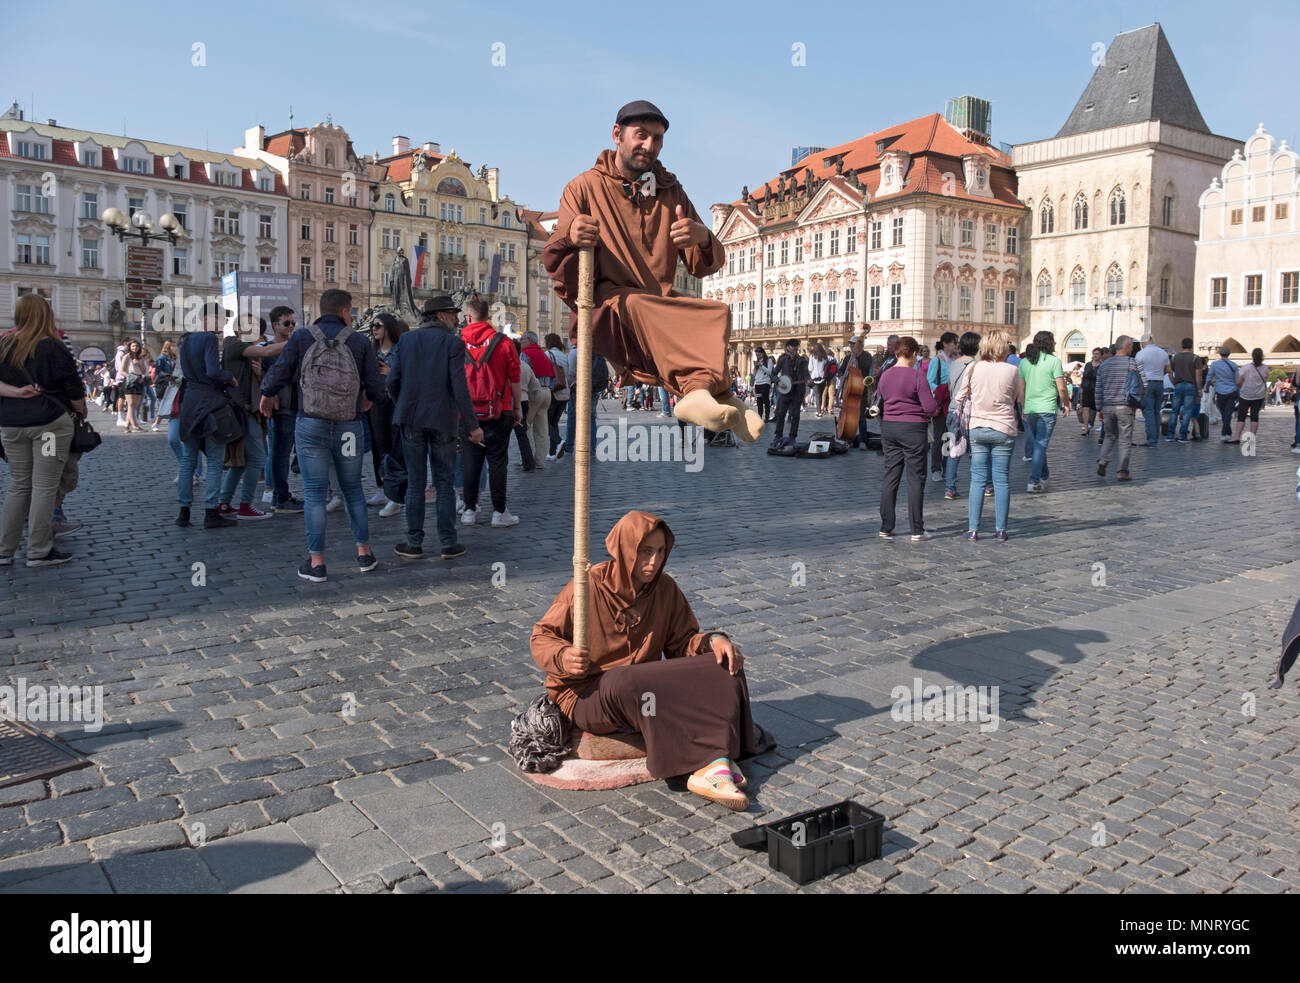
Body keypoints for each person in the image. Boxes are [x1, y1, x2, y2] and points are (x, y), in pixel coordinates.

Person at [542, 100, 762, 442]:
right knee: (638, 304)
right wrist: (571, 236)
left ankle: (711, 393)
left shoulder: (670, 190)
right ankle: (698, 395)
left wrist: (703, 238)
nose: (649, 146)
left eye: (657, 139)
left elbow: (706, 262)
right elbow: (555, 255)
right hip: (607, 308)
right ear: (618, 135)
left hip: (654, 304)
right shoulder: (584, 187)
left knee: (714, 311)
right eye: (641, 136)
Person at [530, 511, 768, 811]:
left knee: (723, 664)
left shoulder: (665, 589)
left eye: (659, 552)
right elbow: (541, 636)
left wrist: (713, 642)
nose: (653, 562)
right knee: (625, 680)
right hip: (586, 694)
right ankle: (704, 759)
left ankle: (713, 763)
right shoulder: (587, 586)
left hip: (641, 686)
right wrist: (563, 656)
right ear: (625, 550)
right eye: (645, 552)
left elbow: (682, 644)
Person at [259, 288, 386, 582]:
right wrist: (365, 400)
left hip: (310, 423)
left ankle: (316, 563)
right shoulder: (358, 341)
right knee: (353, 489)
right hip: (349, 425)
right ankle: (364, 554)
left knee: (315, 493)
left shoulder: (302, 337)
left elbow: (279, 372)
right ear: (344, 311)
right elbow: (377, 389)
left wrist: (267, 393)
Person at [388, 294, 481, 560]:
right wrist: (473, 425)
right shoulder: (452, 343)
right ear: (441, 316)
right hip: (442, 420)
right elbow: (459, 388)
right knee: (443, 482)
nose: (457, 318)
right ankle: (448, 543)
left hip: (411, 419)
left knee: (416, 483)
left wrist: (402, 405)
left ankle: (413, 542)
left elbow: (392, 381)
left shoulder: (406, 340)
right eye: (453, 314)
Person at [0, 295, 83, 566]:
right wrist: (80, 411)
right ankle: (39, 550)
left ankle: (4, 550)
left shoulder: (4, 343)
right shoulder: (52, 346)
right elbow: (73, 386)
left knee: (19, 485)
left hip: (12, 425)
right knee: (44, 486)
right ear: (46, 314)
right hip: (47, 426)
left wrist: (15, 392)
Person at [458, 298, 522, 528]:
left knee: (470, 462)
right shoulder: (503, 342)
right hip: (499, 409)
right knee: (497, 462)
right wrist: (517, 407)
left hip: (466, 414)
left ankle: (469, 510)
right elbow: (515, 378)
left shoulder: (458, 342)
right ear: (488, 317)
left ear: (468, 317)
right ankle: (499, 512)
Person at [176, 303, 240, 529]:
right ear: (208, 318)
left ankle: (184, 511)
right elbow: (213, 371)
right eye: (222, 319)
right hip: (209, 404)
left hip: (189, 402)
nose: (224, 324)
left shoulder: (185, 340)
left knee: (188, 460)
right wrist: (229, 377)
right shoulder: (210, 339)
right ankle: (211, 511)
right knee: (214, 459)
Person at [956, 327, 1022, 542]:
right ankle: (1001, 529)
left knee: (977, 480)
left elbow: (960, 397)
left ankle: (973, 529)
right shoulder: (1012, 370)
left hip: (978, 428)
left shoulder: (974, 368)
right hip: (1003, 428)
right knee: (1001, 480)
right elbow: (1018, 398)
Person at [218, 314, 282, 520]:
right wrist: (295, 340)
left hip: (248, 411)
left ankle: (224, 503)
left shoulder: (250, 355)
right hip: (241, 412)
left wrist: (259, 374)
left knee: (242, 462)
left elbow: (261, 384)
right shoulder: (235, 345)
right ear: (239, 330)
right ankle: (246, 505)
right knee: (257, 458)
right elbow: (267, 350)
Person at [876, 336, 939, 541]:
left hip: (889, 427)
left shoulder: (885, 375)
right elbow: (929, 408)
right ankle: (917, 529)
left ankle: (886, 526)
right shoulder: (916, 376)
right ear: (913, 354)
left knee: (891, 475)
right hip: (913, 429)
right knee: (915, 478)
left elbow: (881, 400)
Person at [261, 306, 304, 514]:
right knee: (280, 452)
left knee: (282, 452)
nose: (291, 327)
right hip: (280, 407)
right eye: (286, 323)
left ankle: (281, 494)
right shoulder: (269, 350)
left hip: (294, 404)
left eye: (293, 323)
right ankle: (280, 497)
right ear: (275, 325)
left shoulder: (293, 347)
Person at [367, 312, 407, 516]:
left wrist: (390, 373)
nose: (374, 328)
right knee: (379, 447)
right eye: (373, 325)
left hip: (396, 403)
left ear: (388, 328)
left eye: (378, 325)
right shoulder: (371, 351)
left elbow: (409, 378)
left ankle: (396, 496)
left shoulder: (401, 350)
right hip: (376, 403)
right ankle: (381, 488)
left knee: (396, 449)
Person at [1019, 330, 1068, 493]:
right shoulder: (1053, 361)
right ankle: (1033, 481)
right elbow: (1061, 387)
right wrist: (1066, 404)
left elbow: (1021, 390)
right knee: (1040, 444)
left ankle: (1044, 475)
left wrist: (1023, 408)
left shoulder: (1025, 362)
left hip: (1031, 409)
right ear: (1049, 343)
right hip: (1047, 409)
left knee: (1039, 444)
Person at [1095, 335, 1143, 482]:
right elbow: (1144, 383)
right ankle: (1122, 471)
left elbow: (1098, 388)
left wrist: (1099, 408)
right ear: (1128, 347)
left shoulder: (1104, 364)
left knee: (1110, 436)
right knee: (1125, 439)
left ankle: (1103, 460)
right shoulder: (1134, 362)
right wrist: (1140, 399)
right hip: (1125, 406)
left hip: (1108, 406)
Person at [943, 331, 980, 498]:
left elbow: (950, 386)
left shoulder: (953, 364)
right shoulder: (975, 365)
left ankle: (950, 487)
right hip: (969, 412)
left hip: (952, 410)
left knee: (953, 450)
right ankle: (982, 484)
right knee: (975, 451)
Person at [518, 331, 554, 468]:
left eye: (522, 340)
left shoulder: (525, 354)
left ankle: (527, 459)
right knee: (542, 429)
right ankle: (540, 461)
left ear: (529, 340)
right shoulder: (544, 354)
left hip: (535, 392)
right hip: (547, 392)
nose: (520, 342)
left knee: (525, 426)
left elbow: (522, 373)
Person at [927, 331, 958, 482]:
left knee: (951, 437)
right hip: (941, 403)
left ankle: (948, 469)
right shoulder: (937, 361)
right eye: (954, 342)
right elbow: (930, 381)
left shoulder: (957, 360)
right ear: (945, 343)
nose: (956, 346)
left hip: (954, 404)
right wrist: (943, 389)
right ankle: (936, 468)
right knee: (939, 437)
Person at [771, 338, 809, 444]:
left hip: (797, 392)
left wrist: (809, 381)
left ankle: (792, 437)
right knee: (780, 414)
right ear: (788, 347)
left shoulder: (802, 360)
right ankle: (778, 436)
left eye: (796, 345)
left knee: (795, 416)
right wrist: (778, 382)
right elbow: (773, 374)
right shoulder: (782, 359)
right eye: (793, 346)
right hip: (785, 392)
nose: (795, 348)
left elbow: (806, 375)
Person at [1134, 339, 1171, 447]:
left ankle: (1151, 439)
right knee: (1156, 411)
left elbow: (1137, 370)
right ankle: (1155, 438)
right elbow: (1168, 369)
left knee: (1148, 411)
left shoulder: (1141, 353)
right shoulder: (1163, 353)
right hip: (1160, 383)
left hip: (1147, 383)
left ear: (1143, 343)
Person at [1229, 348, 1270, 445]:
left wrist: (1242, 386)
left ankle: (1236, 437)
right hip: (1259, 395)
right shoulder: (1265, 368)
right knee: (1254, 416)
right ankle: (1252, 438)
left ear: (1252, 356)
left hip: (1245, 394)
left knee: (1241, 416)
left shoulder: (1246, 368)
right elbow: (1265, 378)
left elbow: (1238, 381)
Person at [1167, 338, 1203, 444]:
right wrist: (1199, 389)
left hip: (1178, 385)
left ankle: (1170, 435)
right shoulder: (1195, 358)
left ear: (1181, 345)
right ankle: (1182, 436)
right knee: (1187, 411)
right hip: (1190, 386)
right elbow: (1198, 375)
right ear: (1191, 346)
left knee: (1174, 411)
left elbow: (1169, 372)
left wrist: (1174, 383)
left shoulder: (1174, 357)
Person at [1205, 345, 1240, 442]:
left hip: (1220, 391)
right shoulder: (1234, 365)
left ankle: (1225, 433)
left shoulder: (1214, 364)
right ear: (1229, 354)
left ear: (1220, 353)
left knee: (1224, 413)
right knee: (1227, 413)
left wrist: (1206, 387)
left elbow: (1209, 377)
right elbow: (1237, 380)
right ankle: (1227, 433)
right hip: (1232, 391)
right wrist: (1239, 391)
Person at [544, 332, 570, 461]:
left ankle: (559, 441)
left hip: (553, 392)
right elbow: (569, 375)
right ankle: (552, 453)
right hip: (565, 393)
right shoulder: (565, 356)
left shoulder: (547, 355)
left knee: (545, 422)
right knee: (554, 423)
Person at [120, 339, 149, 433]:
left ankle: (127, 426)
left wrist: (139, 364)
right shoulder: (127, 356)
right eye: (133, 346)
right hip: (130, 381)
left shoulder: (141, 357)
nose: (135, 348)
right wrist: (131, 377)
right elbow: (122, 371)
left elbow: (144, 371)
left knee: (135, 405)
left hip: (139, 380)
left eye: (136, 346)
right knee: (131, 404)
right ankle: (135, 426)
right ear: (130, 347)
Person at [1079, 348, 1101, 436]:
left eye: (1097, 354)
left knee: (1100, 409)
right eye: (1094, 353)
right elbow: (1084, 377)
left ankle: (1103, 427)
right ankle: (1086, 428)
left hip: (1097, 390)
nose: (1095, 355)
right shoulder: (1088, 365)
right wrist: (1082, 388)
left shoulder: (1102, 365)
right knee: (1086, 408)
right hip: (1087, 389)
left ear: (1100, 355)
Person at [752, 347, 774, 423]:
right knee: (759, 401)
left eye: (759, 354)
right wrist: (755, 367)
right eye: (756, 355)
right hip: (758, 383)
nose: (758, 356)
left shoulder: (769, 360)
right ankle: (760, 416)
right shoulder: (758, 361)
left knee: (765, 400)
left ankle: (767, 416)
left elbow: (769, 372)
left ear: (763, 353)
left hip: (765, 382)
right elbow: (754, 374)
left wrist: (761, 365)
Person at [808, 343, 828, 418]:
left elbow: (810, 368)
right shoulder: (825, 357)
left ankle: (818, 411)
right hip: (823, 378)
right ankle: (821, 409)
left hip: (814, 378)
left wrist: (811, 375)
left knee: (817, 395)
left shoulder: (812, 356)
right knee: (821, 394)